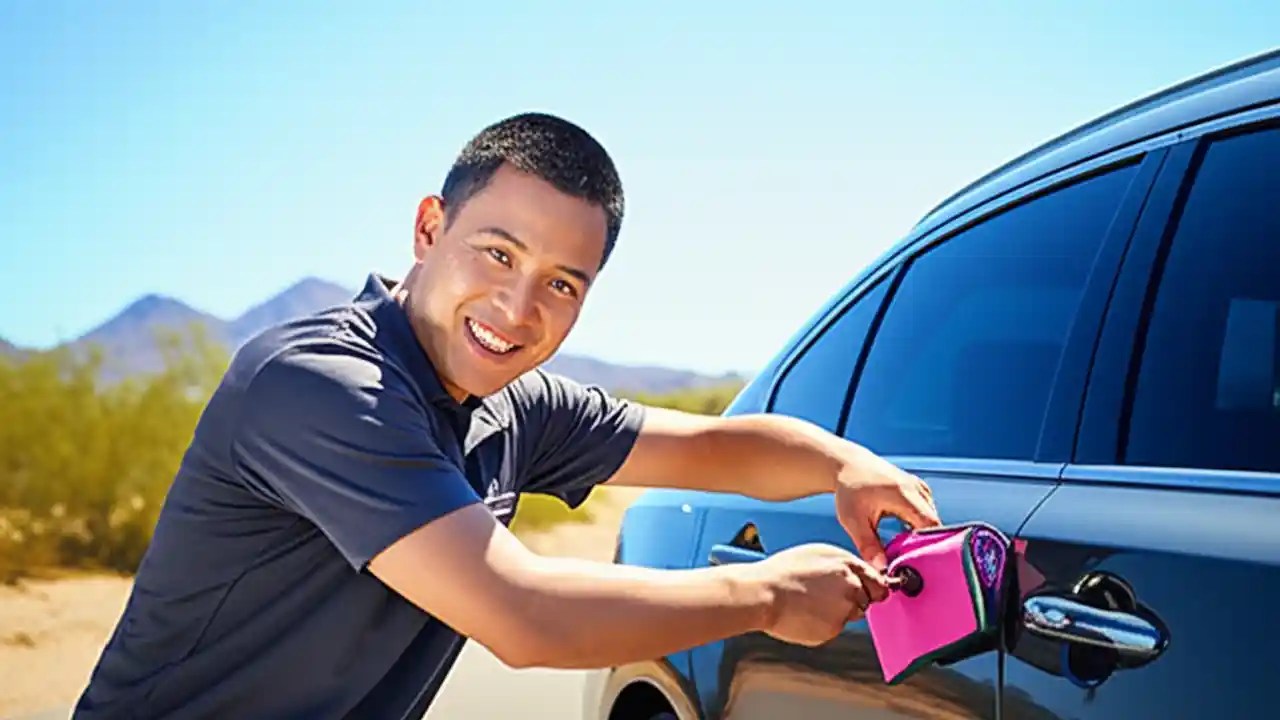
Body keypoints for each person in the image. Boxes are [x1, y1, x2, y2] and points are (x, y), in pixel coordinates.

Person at [73, 112, 940, 719]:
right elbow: (522, 615)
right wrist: (767, 594)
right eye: (497, 253)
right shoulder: (323, 385)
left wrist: (843, 465)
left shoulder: (510, 406)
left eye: (563, 284)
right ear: (428, 227)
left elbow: (717, 445)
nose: (518, 309)